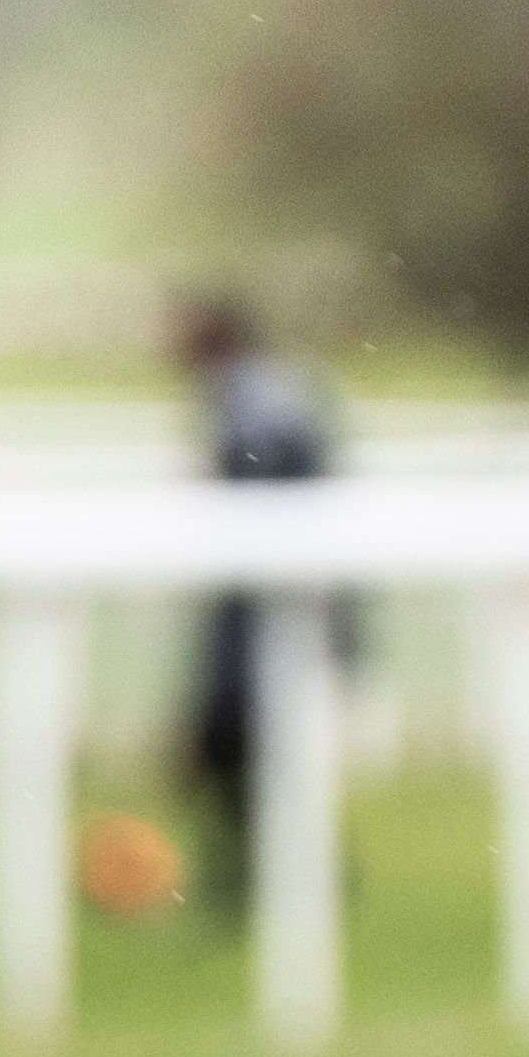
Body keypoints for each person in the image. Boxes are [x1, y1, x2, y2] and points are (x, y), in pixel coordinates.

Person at [170, 288, 340, 924]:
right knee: (249, 751)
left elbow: (259, 507)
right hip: (282, 601)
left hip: (263, 606)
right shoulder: (274, 388)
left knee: (231, 746)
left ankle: (258, 879)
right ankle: (273, 873)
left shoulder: (251, 401)